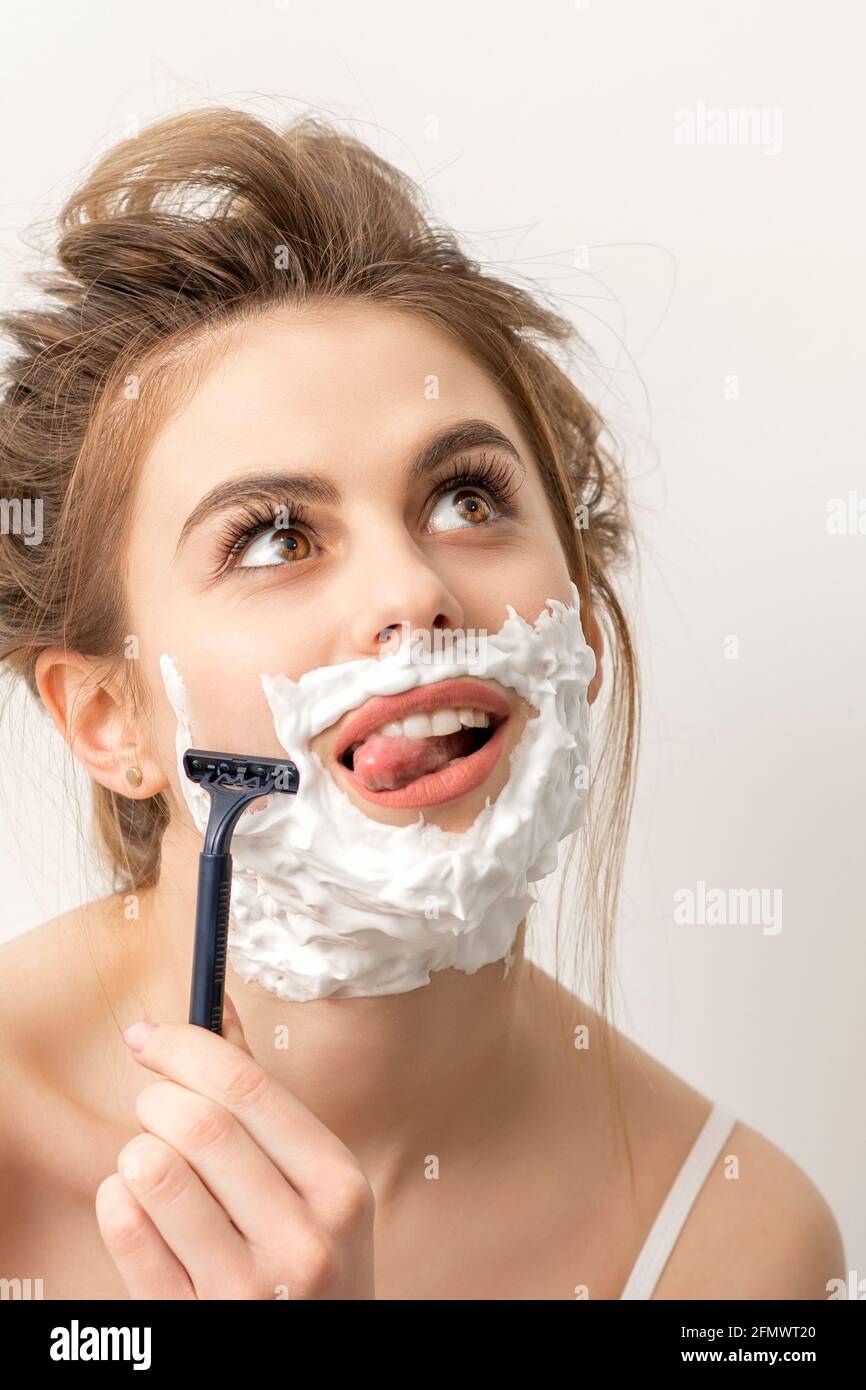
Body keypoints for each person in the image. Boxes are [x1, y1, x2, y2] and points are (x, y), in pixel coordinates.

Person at [0, 106, 844, 1300]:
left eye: (463, 498)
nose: (414, 588)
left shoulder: (733, 1247)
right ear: (105, 719)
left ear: (582, 628)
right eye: (275, 534)